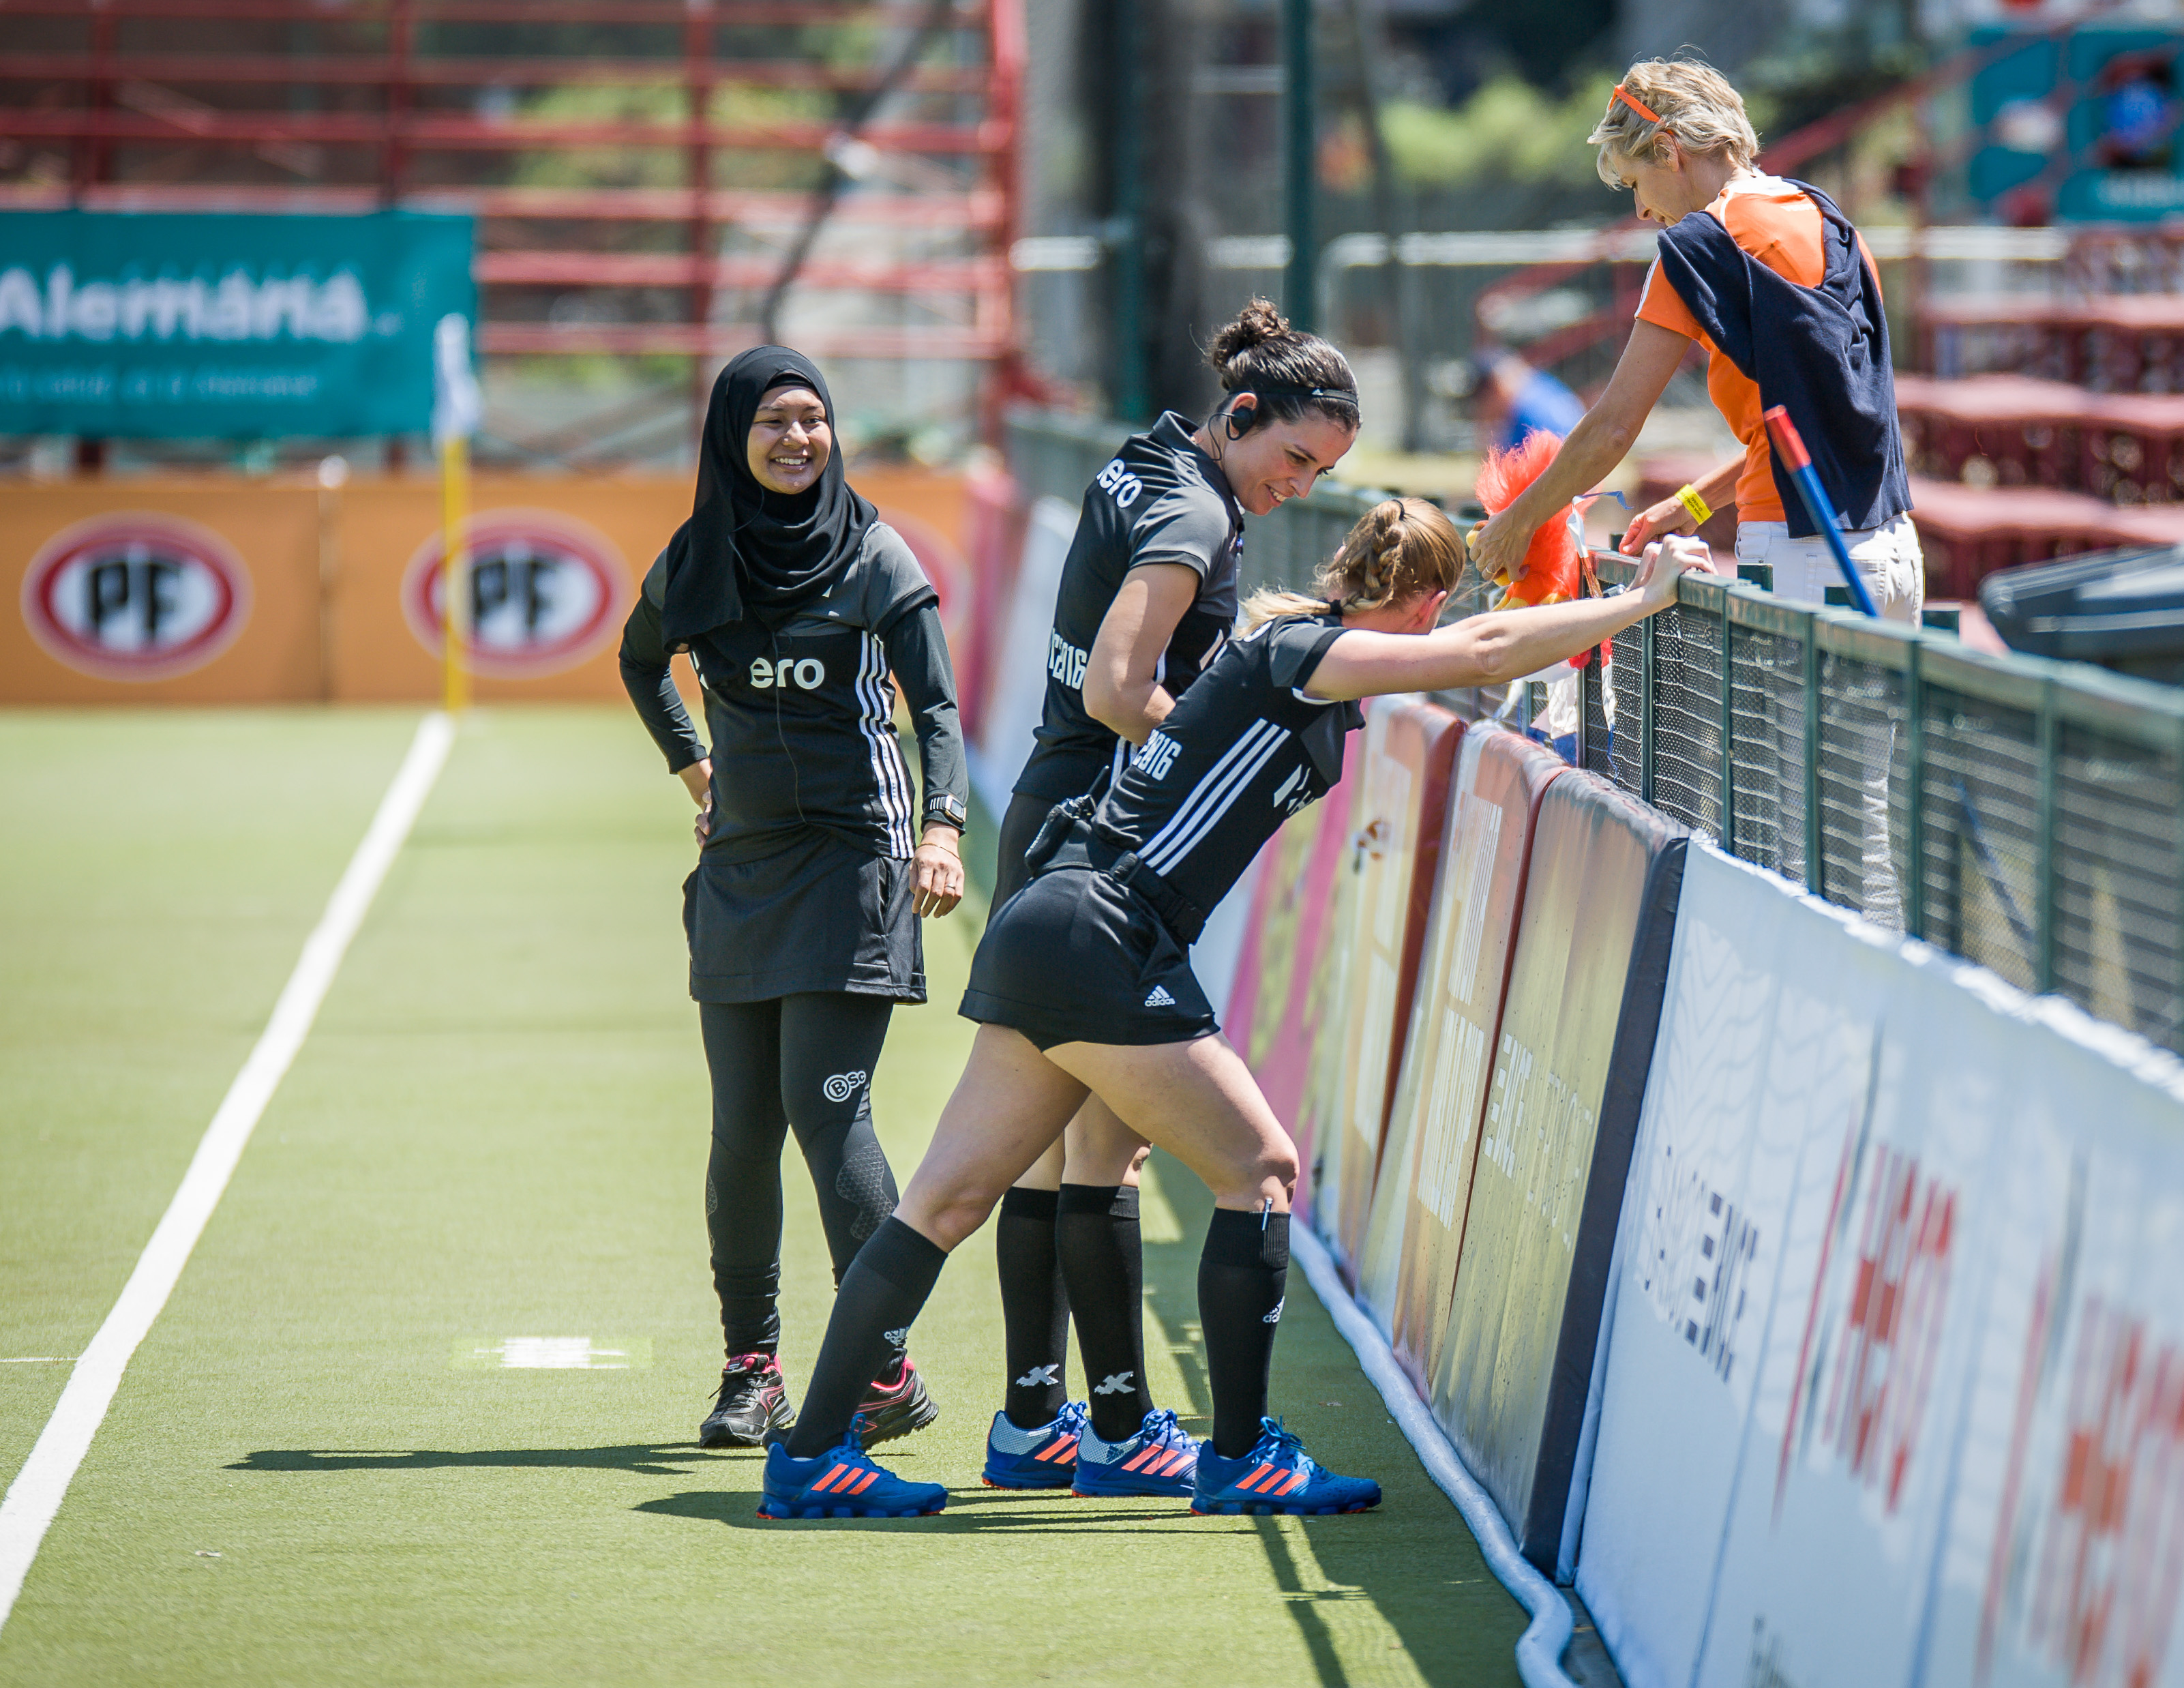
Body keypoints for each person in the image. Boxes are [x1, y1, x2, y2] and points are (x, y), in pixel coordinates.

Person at [751, 501, 1716, 1520]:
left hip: (1054, 912)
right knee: (1260, 1171)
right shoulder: (1306, 649)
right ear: (1425, 599)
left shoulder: (1289, 642)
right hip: (1108, 931)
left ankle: (810, 1454)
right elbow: (1477, 653)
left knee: (943, 1204)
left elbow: (1467, 661)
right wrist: (1640, 601)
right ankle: (1243, 1454)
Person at [983, 300, 1358, 1497]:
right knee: (1095, 1159)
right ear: (1241, 416)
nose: (1300, 485)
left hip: (1056, 817)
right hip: (1095, 841)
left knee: (1052, 1158)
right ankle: (1100, 1428)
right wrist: (1208, 732)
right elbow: (1115, 687)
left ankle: (1045, 1421)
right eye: (1294, 458)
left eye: (1325, 472)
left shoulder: (1155, 466)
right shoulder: (1198, 510)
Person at [1471, 54, 1922, 923]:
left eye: (1637, 180)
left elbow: (1610, 428)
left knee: (1801, 850)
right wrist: (1692, 503)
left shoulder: (1698, 246)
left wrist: (1518, 521)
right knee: (1861, 839)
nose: (1640, 210)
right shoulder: (1829, 220)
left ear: (1673, 149)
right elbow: (1809, 417)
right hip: (1891, 554)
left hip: (1803, 563)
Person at [617, 346, 970, 1451]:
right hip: (742, 873)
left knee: (828, 1113)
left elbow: (940, 708)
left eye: (813, 418)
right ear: (734, 437)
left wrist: (943, 826)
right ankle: (751, 1368)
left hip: (854, 862)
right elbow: (641, 661)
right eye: (772, 421)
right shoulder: (699, 557)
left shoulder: (875, 552)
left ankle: (882, 1365)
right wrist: (695, 770)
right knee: (740, 1131)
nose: (796, 439)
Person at [1468, 346, 1587, 459]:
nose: (1481, 409)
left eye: (1481, 401)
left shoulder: (1524, 414)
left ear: (1495, 388)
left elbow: (1503, 468)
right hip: (1582, 459)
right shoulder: (1540, 382)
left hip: (1565, 469)